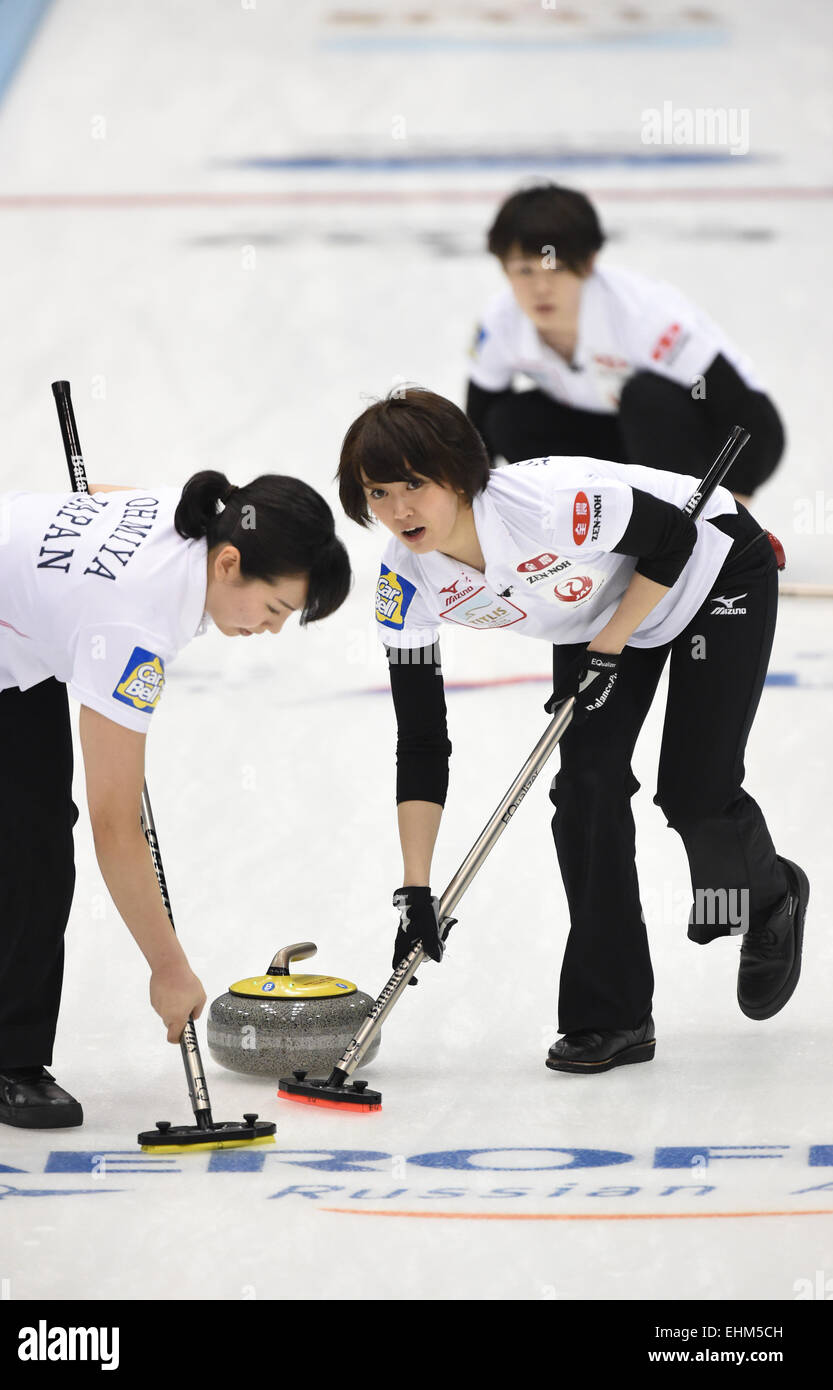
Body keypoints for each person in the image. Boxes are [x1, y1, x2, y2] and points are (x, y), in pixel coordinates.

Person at [337, 388, 807, 1075]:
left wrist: (612, 645)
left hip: (710, 567)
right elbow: (421, 741)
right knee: (585, 792)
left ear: (461, 475)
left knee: (694, 787)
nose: (398, 509)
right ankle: (612, 1014)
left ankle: (768, 897)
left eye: (415, 483)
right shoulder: (403, 583)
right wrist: (416, 888)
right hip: (597, 608)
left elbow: (673, 538)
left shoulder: (549, 504)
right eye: (378, 491)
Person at [0, 471, 350, 1128]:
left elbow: (104, 494)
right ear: (228, 564)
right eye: (275, 609)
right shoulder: (133, 627)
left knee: (34, 837)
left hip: (8, 638)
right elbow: (116, 824)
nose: (273, 629)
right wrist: (169, 969)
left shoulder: (200, 513)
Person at [465, 184, 785, 506]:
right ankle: (592, 528)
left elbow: (748, 416)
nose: (541, 288)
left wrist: (730, 510)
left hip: (721, 433)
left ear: (588, 263)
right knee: (509, 420)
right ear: (503, 267)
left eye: (557, 268)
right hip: (617, 433)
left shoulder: (643, 315)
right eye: (524, 270)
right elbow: (478, 428)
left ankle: (676, 521)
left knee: (647, 398)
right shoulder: (500, 323)